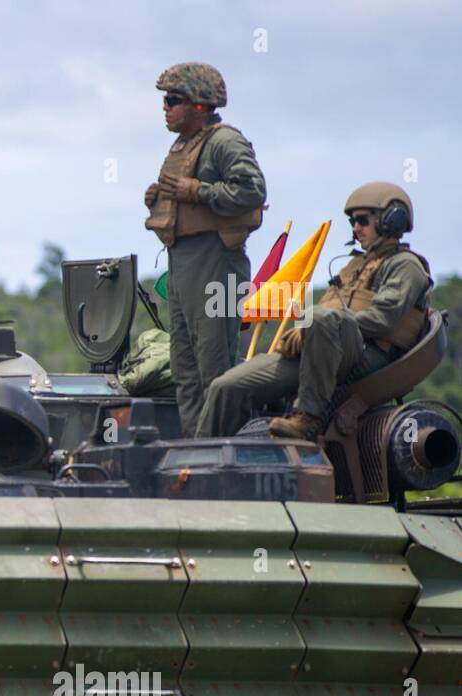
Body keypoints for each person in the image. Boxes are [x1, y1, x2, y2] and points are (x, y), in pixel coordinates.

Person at [198, 182, 432, 440]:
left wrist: (315, 325)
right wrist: (304, 331)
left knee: (320, 317)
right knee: (225, 387)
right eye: (353, 222)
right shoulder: (354, 265)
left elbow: (383, 319)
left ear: (391, 220)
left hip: (364, 353)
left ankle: (307, 417)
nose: (356, 228)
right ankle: (198, 464)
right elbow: (325, 313)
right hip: (321, 347)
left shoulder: (405, 266)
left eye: (363, 220)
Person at [144, 62, 267, 438]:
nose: (165, 107)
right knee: (185, 370)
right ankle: (196, 448)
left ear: (199, 104)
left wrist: (196, 191)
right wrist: (158, 200)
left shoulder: (224, 142)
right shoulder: (184, 145)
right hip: (182, 264)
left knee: (215, 368)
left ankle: (220, 449)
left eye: (173, 99)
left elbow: (252, 191)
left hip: (216, 263)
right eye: (165, 99)